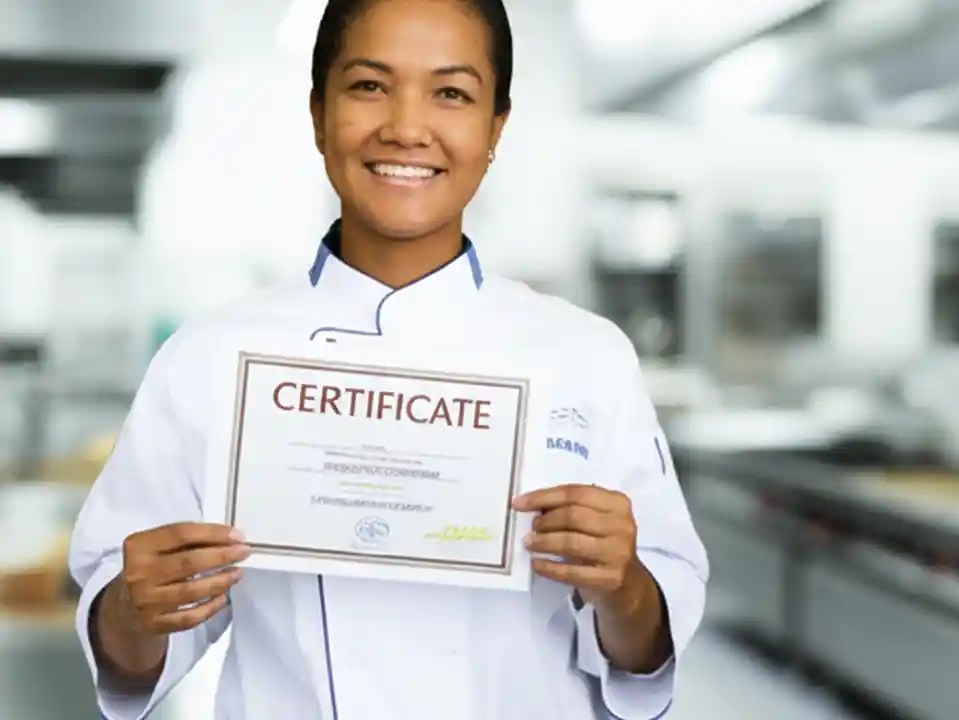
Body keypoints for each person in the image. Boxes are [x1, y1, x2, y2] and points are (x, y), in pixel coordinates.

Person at [67, 0, 709, 717]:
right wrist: (133, 604)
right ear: (317, 112)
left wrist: (623, 587)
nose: (406, 127)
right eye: (369, 85)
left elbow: (652, 642)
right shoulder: (209, 359)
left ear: (496, 126)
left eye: (452, 93)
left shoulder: (587, 357)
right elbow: (126, 652)